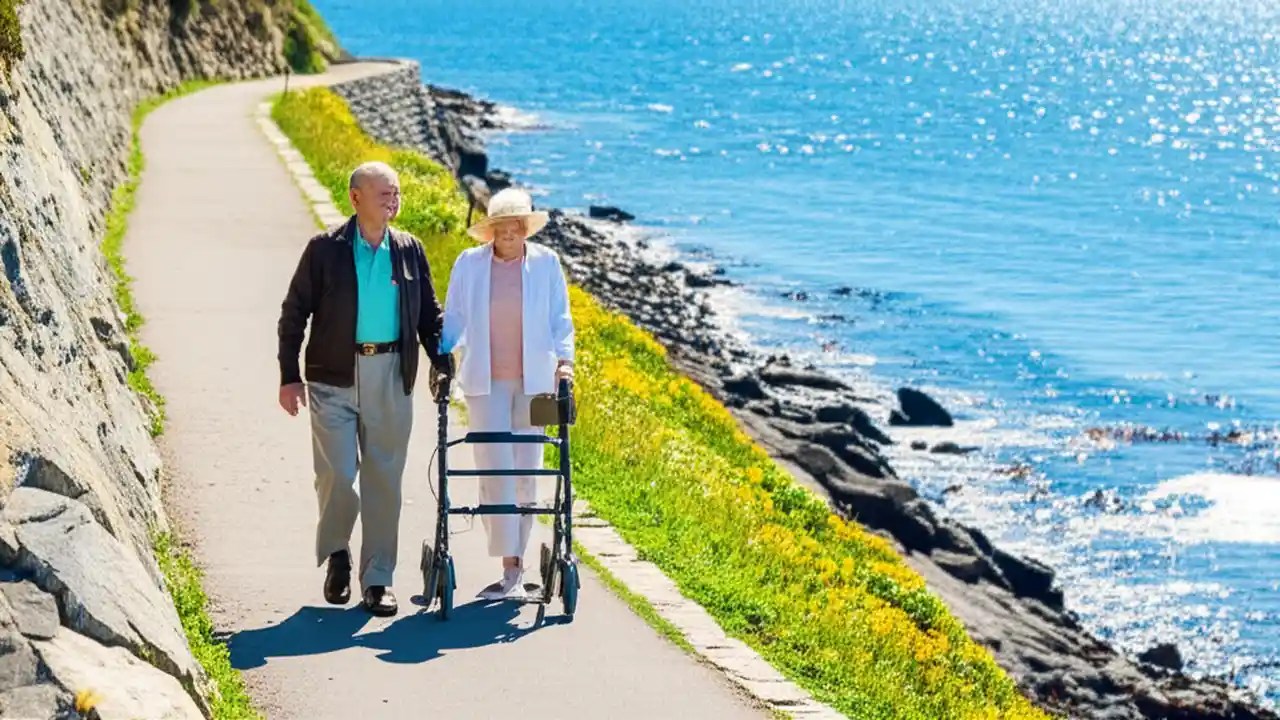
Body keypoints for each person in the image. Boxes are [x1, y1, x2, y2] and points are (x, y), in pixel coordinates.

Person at [276, 160, 451, 617]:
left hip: (391, 372)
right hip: (332, 374)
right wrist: (288, 375)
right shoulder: (324, 249)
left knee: (384, 480)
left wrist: (442, 359)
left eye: (396, 194)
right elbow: (294, 314)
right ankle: (337, 552)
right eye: (384, 194)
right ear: (355, 199)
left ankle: (378, 579)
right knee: (336, 473)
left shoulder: (409, 249)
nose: (393, 202)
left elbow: (429, 314)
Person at [439, 187, 575, 600]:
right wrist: (443, 357)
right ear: (493, 229)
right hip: (485, 383)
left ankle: (519, 566)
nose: (511, 232)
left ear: (526, 228)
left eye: (518, 225)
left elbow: (560, 319)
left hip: (536, 384)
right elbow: (456, 316)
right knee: (494, 473)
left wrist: (565, 363)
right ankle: (509, 567)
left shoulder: (547, 264)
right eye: (503, 225)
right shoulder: (469, 264)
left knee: (528, 472)